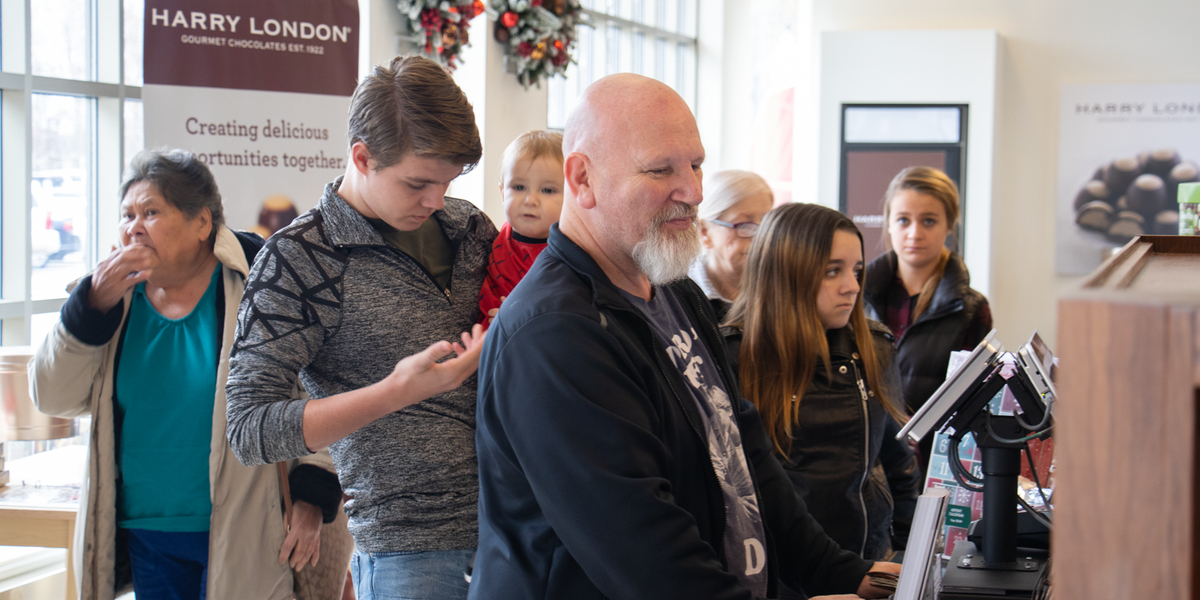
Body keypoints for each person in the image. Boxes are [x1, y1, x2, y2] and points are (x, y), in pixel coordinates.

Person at [472, 73, 899, 600]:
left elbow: (745, 456)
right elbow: (644, 555)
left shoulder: (675, 293)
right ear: (582, 179)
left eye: (695, 164)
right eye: (660, 170)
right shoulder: (553, 334)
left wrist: (844, 573)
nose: (694, 191)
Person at [224, 55, 495, 600]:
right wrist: (395, 392)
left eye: (449, 180)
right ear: (362, 157)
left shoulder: (471, 229)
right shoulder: (298, 258)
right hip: (409, 551)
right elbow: (248, 429)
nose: (437, 201)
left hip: (517, 525)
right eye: (418, 182)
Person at [29, 148, 345, 600]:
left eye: (151, 212)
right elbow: (52, 396)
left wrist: (314, 495)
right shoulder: (108, 300)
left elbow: (322, 387)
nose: (133, 227)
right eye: (127, 214)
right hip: (147, 530)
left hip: (249, 527)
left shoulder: (263, 282)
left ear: (202, 224)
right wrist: (86, 311)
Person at [722, 203, 921, 569]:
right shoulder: (732, 356)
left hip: (869, 562)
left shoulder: (874, 347)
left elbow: (900, 465)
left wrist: (908, 560)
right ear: (787, 273)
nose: (853, 287)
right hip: (775, 574)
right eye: (833, 271)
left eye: (857, 270)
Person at [862, 166, 992, 470]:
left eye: (929, 221)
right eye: (904, 220)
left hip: (933, 468)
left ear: (950, 226)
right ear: (889, 224)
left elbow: (973, 406)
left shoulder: (971, 308)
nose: (914, 233)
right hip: (865, 465)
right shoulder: (855, 296)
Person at [478, 129, 564, 329]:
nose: (530, 200)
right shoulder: (491, 237)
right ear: (502, 193)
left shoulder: (571, 248)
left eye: (547, 190)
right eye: (519, 188)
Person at [688, 169, 774, 320]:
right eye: (744, 225)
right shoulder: (681, 295)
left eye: (767, 223)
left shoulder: (780, 288)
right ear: (704, 232)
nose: (761, 236)